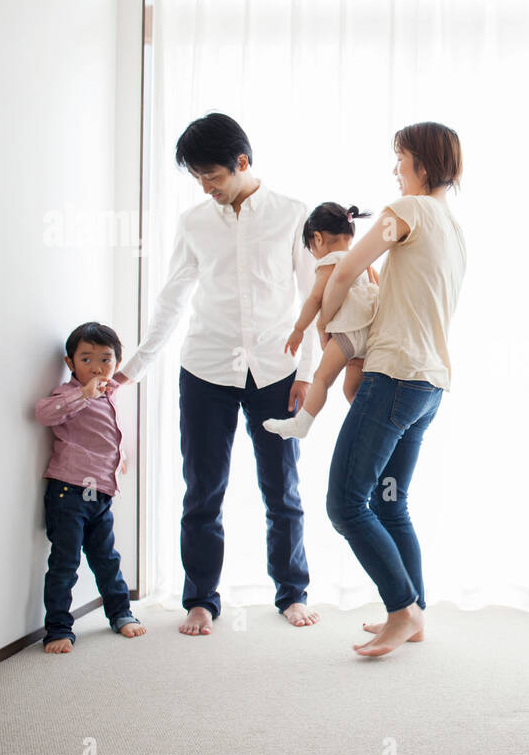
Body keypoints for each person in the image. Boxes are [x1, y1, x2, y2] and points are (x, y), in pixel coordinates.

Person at [114, 112, 320, 635]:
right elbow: (172, 298)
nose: (206, 189)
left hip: (277, 372)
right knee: (202, 490)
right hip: (205, 371)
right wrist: (136, 366)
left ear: (242, 162)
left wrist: (310, 374)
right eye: (198, 179)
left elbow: (313, 300)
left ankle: (292, 593)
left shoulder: (293, 215)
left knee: (283, 489)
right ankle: (201, 599)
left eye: (214, 177)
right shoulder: (194, 224)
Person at [317, 122, 467, 657]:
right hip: (429, 383)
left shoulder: (408, 209)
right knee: (389, 502)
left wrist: (324, 327)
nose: (396, 170)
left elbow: (344, 271)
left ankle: (401, 608)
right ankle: (414, 612)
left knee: (345, 504)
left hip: (396, 377)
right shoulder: (452, 226)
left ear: (422, 165)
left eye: (399, 159)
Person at [35, 322, 145, 652]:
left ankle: (121, 613)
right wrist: (83, 394)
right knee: (65, 563)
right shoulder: (70, 394)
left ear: (116, 362)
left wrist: (119, 458)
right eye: (86, 360)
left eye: (105, 360)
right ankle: (57, 629)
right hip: (69, 493)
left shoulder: (109, 396)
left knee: (107, 558)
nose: (96, 367)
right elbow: (44, 414)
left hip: (100, 495)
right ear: (70, 363)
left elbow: (105, 436)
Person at [263, 202, 380, 440]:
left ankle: (302, 424)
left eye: (311, 249)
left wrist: (298, 329)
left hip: (346, 335)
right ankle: (372, 429)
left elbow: (315, 298)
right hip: (369, 337)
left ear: (317, 238)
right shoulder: (363, 262)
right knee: (352, 390)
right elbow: (378, 289)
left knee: (321, 379)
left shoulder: (331, 261)